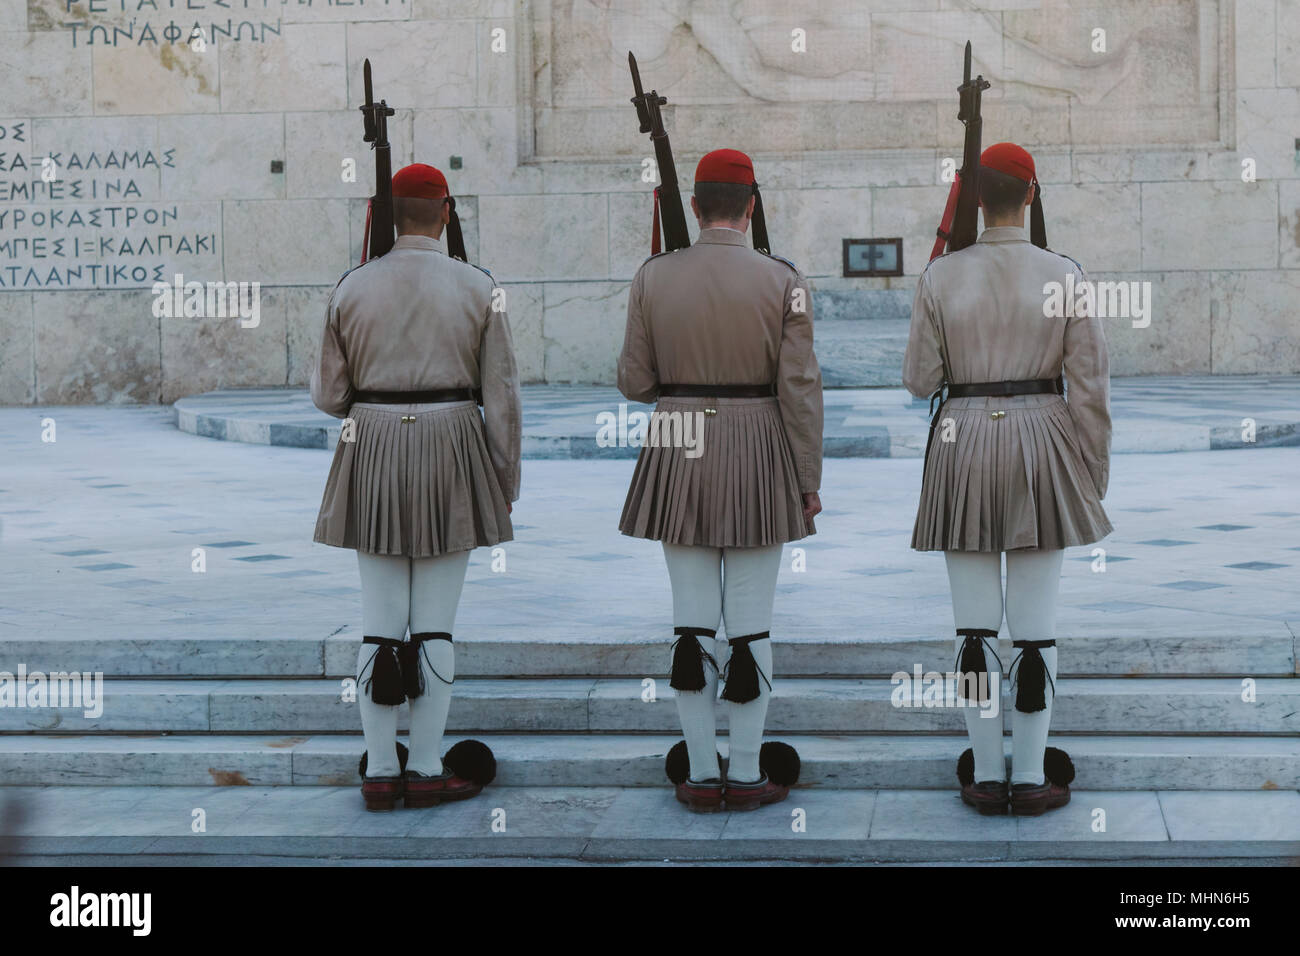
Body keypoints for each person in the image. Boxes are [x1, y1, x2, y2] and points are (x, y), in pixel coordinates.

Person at [903, 142, 1111, 816]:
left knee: (973, 631)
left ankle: (985, 774)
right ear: (1031, 194)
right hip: (1043, 440)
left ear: (972, 198)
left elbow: (918, 381)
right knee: (1036, 629)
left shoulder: (940, 276)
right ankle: (1030, 775)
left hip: (962, 439)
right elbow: (1090, 388)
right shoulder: (1066, 273)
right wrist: (1091, 474)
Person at [617, 148, 823, 813]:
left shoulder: (652, 276)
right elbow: (799, 389)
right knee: (752, 627)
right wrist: (806, 476)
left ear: (696, 207)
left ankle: (701, 773)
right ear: (753, 206)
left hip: (679, 443)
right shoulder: (782, 279)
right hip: (760, 441)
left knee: (691, 624)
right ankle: (751, 768)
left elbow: (635, 382)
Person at [311, 163, 521, 811]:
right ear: (447, 212)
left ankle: (379, 769)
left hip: (370, 445)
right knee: (434, 628)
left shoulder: (351, 287)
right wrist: (502, 482)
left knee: (379, 625)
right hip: (452, 444)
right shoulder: (481, 287)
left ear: (388, 216)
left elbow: (327, 396)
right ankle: (426, 767)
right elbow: (503, 398)